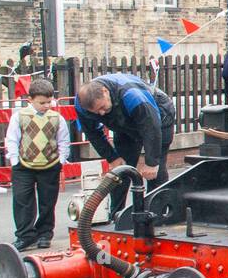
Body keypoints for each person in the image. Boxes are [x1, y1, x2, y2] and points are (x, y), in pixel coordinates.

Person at [75, 74, 176, 216]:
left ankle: (155, 215)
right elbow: (92, 133)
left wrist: (151, 162)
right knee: (120, 171)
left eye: (102, 107)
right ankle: (116, 215)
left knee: (155, 172)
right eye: (96, 112)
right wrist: (112, 157)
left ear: (105, 91)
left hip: (158, 115)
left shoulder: (132, 96)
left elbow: (151, 127)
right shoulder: (82, 104)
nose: (101, 113)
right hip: (124, 123)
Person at [5, 77, 71, 250]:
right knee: (22, 200)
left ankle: (44, 233)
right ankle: (25, 235)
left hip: (50, 164)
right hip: (23, 165)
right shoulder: (19, 117)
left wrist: (61, 161)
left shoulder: (57, 118)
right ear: (30, 100)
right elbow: (12, 139)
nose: (47, 106)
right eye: (42, 102)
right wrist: (14, 161)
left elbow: (63, 141)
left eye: (49, 102)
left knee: (48, 201)